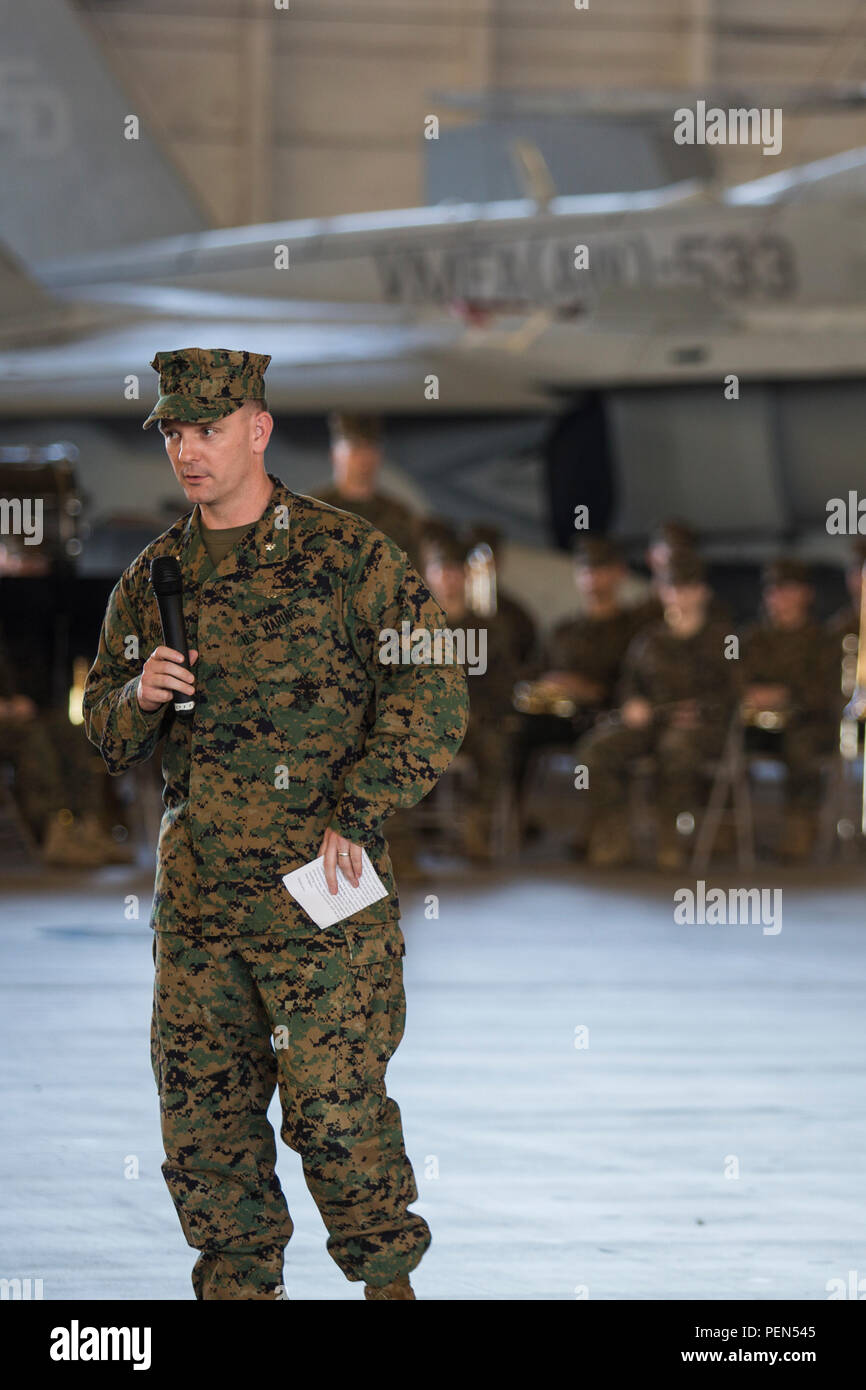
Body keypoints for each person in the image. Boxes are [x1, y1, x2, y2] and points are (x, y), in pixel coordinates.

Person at [83, 347, 469, 1301]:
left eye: (207, 429)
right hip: (201, 902)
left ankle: (387, 1287)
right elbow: (101, 727)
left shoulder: (349, 557)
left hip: (321, 893)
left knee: (339, 1114)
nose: (188, 450)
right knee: (204, 1121)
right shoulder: (153, 576)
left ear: (257, 428)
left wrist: (361, 805)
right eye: (174, 431)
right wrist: (138, 694)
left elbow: (434, 691)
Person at [577, 552, 738, 870]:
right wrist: (633, 703)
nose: (679, 596)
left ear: (702, 592)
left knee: (676, 748)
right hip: (652, 724)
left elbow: (733, 694)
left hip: (702, 731)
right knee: (596, 750)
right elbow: (629, 686)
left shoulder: (723, 640)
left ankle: (669, 837)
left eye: (687, 588)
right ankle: (614, 835)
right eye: (672, 588)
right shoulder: (649, 641)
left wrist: (702, 712)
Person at [514, 536, 647, 827]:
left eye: (600, 570)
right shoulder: (565, 630)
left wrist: (591, 690)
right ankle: (511, 823)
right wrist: (547, 683)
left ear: (618, 573)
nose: (592, 579)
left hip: (604, 716)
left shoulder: (634, 631)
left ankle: (601, 830)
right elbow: (534, 671)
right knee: (512, 732)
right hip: (558, 718)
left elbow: (639, 683)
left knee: (602, 748)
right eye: (586, 571)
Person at [419, 521, 521, 861]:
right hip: (424, 724)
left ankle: (476, 830)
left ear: (465, 575)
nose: (447, 580)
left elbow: (503, 685)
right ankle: (399, 847)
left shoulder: (490, 629)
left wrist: (473, 713)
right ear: (429, 575)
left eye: (454, 571)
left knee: (495, 747)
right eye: (440, 571)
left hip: (475, 722)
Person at [741, 558, 840, 858]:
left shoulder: (824, 640)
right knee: (722, 741)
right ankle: (728, 828)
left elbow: (828, 692)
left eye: (788, 590)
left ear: (806, 594)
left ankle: (800, 830)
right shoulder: (751, 638)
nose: (780, 598)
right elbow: (731, 679)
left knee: (801, 746)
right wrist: (748, 695)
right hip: (758, 725)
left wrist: (784, 696)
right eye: (774, 591)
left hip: (808, 723)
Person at [314, 412, 421, 563]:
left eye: (371, 448)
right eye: (356, 448)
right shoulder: (314, 511)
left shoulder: (398, 517)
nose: (364, 458)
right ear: (334, 454)